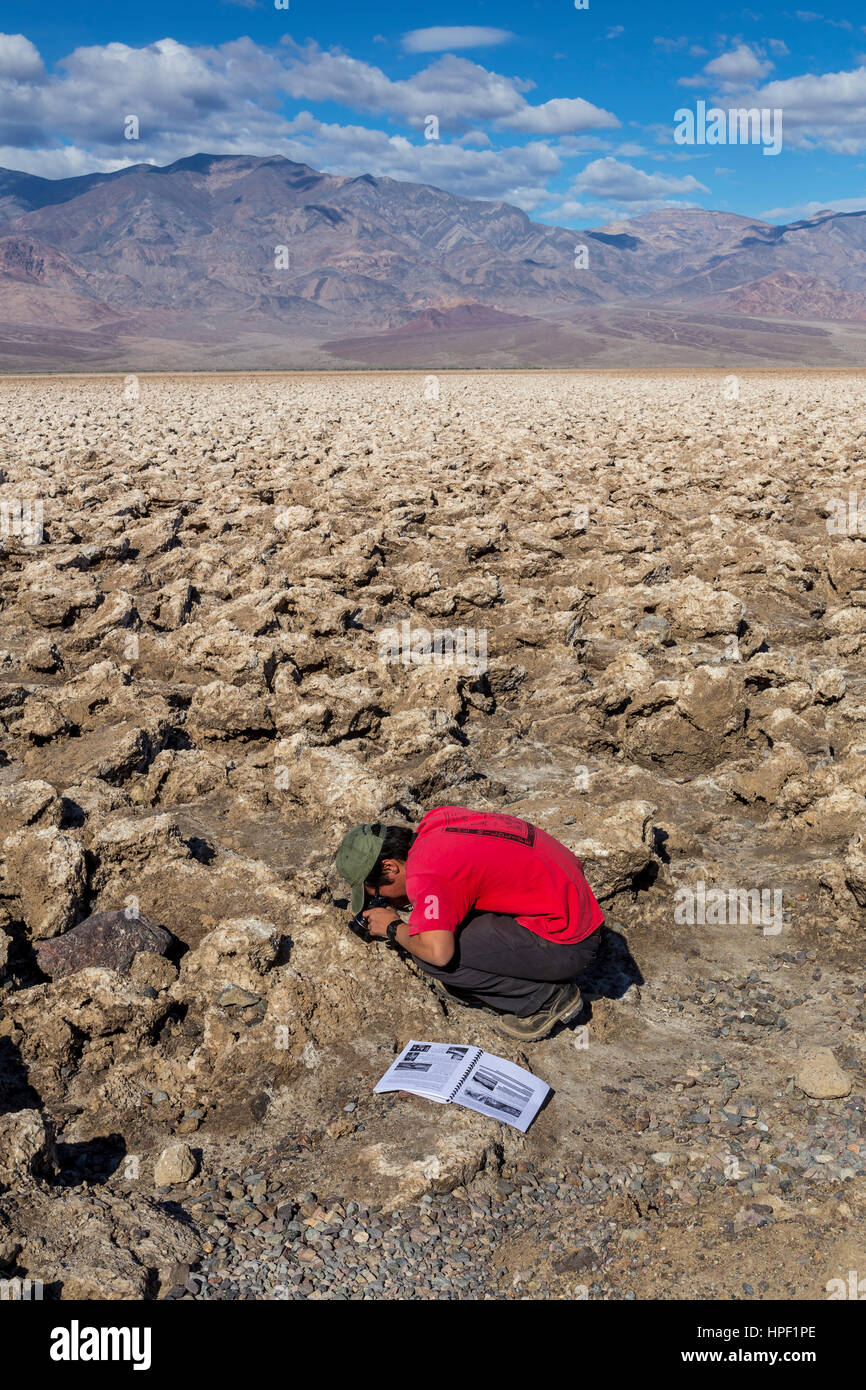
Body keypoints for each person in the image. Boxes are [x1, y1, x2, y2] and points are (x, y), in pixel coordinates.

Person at [335, 805, 604, 1042]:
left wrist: (393, 927)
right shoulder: (438, 821)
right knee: (443, 927)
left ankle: (545, 999)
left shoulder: (427, 874)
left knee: (428, 952)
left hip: (569, 942)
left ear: (390, 868)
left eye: (379, 894)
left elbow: (437, 952)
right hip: (575, 907)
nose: (387, 902)